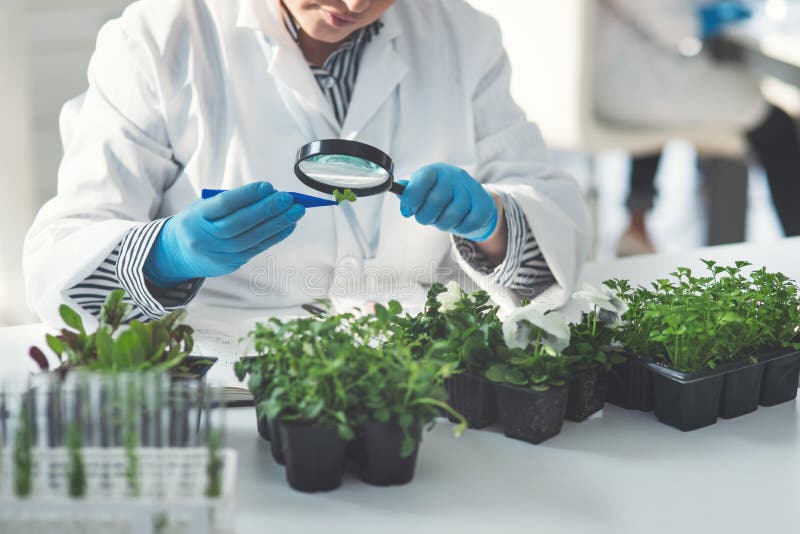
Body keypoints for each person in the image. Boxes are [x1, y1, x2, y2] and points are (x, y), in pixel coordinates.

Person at [23, 0, 589, 325]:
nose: (352, 3)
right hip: (230, 372)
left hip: (421, 374)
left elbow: (551, 210)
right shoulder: (159, 35)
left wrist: (492, 223)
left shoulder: (462, 34)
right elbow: (62, 252)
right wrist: (166, 255)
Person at [594, 0, 800, 256]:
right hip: (627, 80)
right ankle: (796, 243)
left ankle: (638, 220)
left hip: (616, 74)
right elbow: (674, 25)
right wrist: (705, 16)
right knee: (775, 125)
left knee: (687, 95)